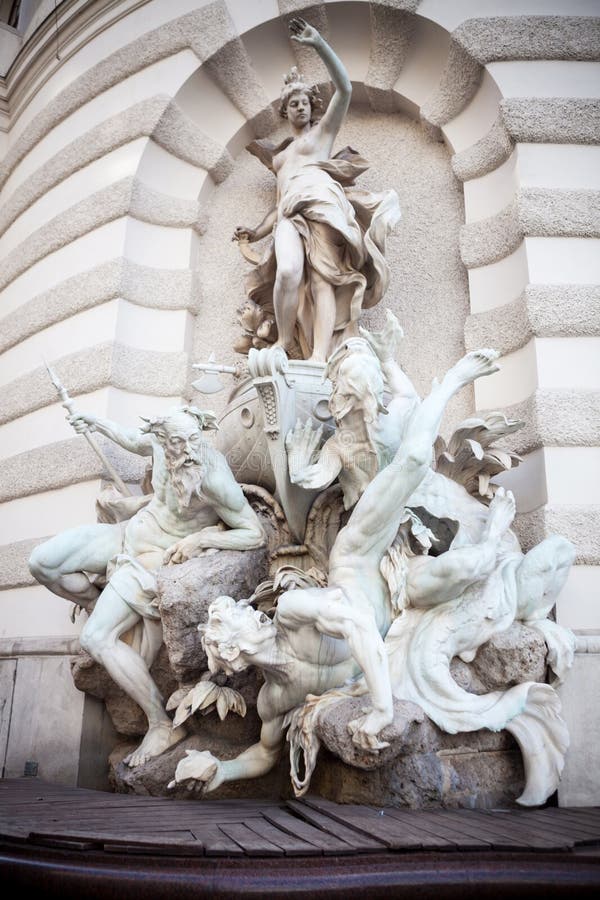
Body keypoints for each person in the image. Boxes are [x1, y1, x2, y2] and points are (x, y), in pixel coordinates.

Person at [169, 349, 500, 794]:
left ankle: (454, 377)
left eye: (236, 617)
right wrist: (221, 770)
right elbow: (265, 753)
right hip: (398, 599)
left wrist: (382, 708)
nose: (249, 614)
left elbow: (357, 623)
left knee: (414, 459)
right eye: (234, 625)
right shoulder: (273, 699)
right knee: (468, 567)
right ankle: (495, 540)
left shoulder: (290, 612)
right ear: (235, 654)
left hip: (357, 557)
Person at [29, 405, 265, 766]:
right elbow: (130, 438)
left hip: (152, 560)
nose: (188, 449)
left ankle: (161, 723)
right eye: (178, 442)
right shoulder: (159, 444)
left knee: (95, 638)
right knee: (42, 562)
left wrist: (201, 539)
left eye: (193, 440)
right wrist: (94, 420)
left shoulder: (212, 475)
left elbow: (254, 533)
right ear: (165, 441)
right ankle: (97, 601)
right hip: (127, 535)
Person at [233, 18, 400, 362]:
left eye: (305, 102)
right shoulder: (280, 160)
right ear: (285, 110)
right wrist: (256, 230)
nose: (300, 106)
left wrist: (319, 43)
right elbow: (279, 204)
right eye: (293, 103)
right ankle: (283, 340)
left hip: (323, 206)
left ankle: (320, 356)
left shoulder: (322, 136)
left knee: (324, 281)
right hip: (289, 216)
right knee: (289, 272)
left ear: (313, 106)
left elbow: (345, 90)